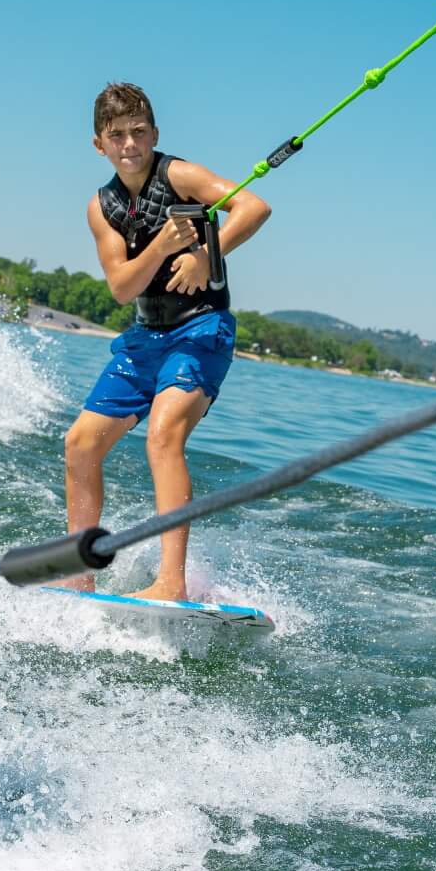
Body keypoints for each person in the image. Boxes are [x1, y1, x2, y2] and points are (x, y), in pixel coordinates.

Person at [64, 83, 270, 601]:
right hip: (143, 337)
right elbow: (121, 287)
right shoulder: (102, 207)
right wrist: (162, 246)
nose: (129, 144)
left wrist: (207, 253)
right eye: (117, 136)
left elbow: (253, 206)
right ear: (99, 145)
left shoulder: (179, 175)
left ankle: (171, 582)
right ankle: (79, 574)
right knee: (80, 443)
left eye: (139, 133)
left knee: (163, 436)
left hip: (201, 329)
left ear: (154, 134)